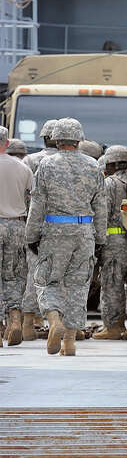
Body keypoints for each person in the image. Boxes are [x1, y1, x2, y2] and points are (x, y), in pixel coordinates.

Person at [24, 118, 106, 357]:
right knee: (78, 285)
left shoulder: (47, 165)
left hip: (55, 232)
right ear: (79, 140)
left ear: (56, 139)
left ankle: (53, 318)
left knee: (46, 280)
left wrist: (31, 235)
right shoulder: (93, 166)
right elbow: (100, 205)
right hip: (84, 233)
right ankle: (69, 342)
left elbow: (37, 204)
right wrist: (100, 239)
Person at [19, 119, 59, 340]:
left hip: (35, 223)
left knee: (33, 275)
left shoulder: (30, 160)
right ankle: (59, 323)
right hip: (64, 226)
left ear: (43, 137)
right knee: (61, 278)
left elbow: (26, 195)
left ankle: (26, 324)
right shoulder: (76, 161)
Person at [94, 145, 127, 340]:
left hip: (113, 242)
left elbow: (102, 214)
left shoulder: (110, 183)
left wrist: (97, 242)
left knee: (112, 283)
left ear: (113, 164)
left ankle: (114, 326)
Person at [0, 126, 33, 346]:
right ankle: (14, 318)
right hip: (16, 226)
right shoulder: (23, 168)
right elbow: (32, 200)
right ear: (6, 144)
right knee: (14, 275)